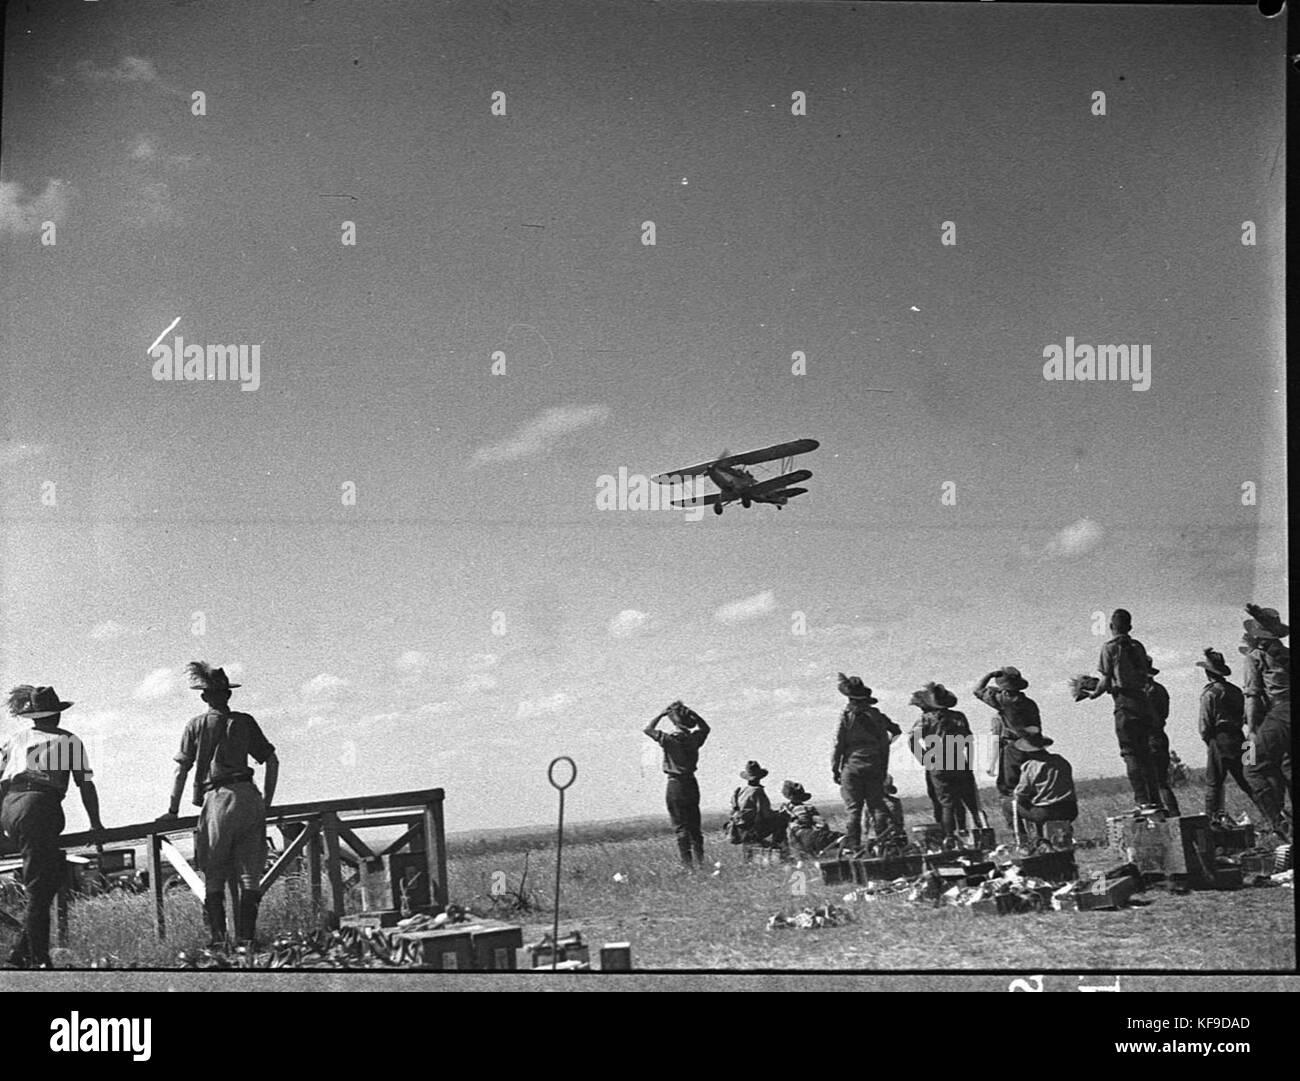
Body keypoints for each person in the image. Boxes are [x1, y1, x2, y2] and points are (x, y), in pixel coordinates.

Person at [157, 662, 278, 949]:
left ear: (204, 697)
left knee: (213, 873)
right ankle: (247, 940)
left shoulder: (196, 725)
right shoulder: (245, 721)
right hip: (249, 798)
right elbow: (271, 761)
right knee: (251, 874)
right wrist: (267, 804)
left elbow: (181, 770)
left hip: (218, 799)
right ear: (228, 695)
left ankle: (219, 940)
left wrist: (172, 811)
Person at [1, 685, 105, 968]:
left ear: (33, 716)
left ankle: (21, 951)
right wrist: (96, 825)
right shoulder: (69, 741)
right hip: (40, 807)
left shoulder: (15, 740)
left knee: (51, 874)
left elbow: (1, 782)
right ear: (57, 714)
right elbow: (85, 785)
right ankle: (39, 958)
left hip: (10, 806)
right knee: (39, 884)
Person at [1087, 609, 1160, 813]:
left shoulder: (1109, 648)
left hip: (1124, 703)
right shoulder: (1138, 646)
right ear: (1129, 627)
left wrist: (1093, 694)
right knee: (1145, 753)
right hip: (1142, 701)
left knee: (1130, 753)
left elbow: (1105, 679)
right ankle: (1155, 799)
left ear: (1111, 627)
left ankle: (1142, 800)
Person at [830, 673, 900, 855]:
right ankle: (882, 845)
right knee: (877, 806)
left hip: (852, 766)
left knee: (854, 810)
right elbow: (895, 731)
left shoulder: (846, 716)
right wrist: (882, 756)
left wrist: (835, 768)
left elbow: (838, 744)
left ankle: (855, 848)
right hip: (874, 764)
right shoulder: (876, 716)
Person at [974, 666, 1043, 838]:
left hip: (1013, 749)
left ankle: (1019, 834)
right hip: (1034, 748)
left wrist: (989, 674)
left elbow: (977, 690)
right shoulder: (1029, 703)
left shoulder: (1004, 700)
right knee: (1033, 790)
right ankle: (1039, 832)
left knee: (1008, 792)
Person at [1240, 605, 1291, 841]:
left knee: (1249, 766)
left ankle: (1280, 826)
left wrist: (1250, 730)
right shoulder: (1285, 653)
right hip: (1279, 720)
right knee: (1286, 768)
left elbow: (1251, 696)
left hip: (1279, 714)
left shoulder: (1255, 658)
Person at [907, 682, 981, 838]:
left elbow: (912, 740)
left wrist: (924, 759)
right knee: (963, 799)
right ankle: (965, 833)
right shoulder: (959, 717)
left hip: (937, 762)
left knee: (946, 803)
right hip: (959, 761)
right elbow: (969, 739)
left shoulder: (925, 719)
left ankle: (950, 838)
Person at [643, 700, 710, 867]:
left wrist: (661, 714)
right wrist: (693, 713)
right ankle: (700, 862)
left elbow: (648, 729)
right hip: (691, 783)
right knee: (695, 825)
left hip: (675, 785)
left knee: (681, 827)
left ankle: (687, 865)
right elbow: (705, 728)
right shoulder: (694, 739)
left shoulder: (669, 739)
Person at [1197, 647, 1258, 822]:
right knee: (1251, 780)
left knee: (1214, 784)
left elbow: (1204, 725)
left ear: (1208, 673)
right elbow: (1246, 715)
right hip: (1241, 738)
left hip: (1220, 739)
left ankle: (1212, 822)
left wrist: (1210, 742)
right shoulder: (1236, 691)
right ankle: (1276, 815)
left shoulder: (1209, 694)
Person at [1012, 736, 1078, 838]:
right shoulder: (1061, 760)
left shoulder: (1032, 765)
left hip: (1046, 812)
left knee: (1010, 805)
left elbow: (1021, 792)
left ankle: (1024, 839)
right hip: (1070, 809)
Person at [726, 761, 786, 860]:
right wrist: (779, 813)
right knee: (782, 820)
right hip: (752, 829)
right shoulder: (758, 791)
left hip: (739, 828)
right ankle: (778, 850)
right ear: (760, 777)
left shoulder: (741, 790)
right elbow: (766, 814)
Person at [1143, 663, 1180, 815]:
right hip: (1160, 736)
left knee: (1154, 783)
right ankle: (1173, 816)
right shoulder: (1160, 689)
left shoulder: (1145, 692)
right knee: (1161, 782)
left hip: (1149, 738)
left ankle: (1167, 818)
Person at [779, 780, 842, 857]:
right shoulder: (808, 808)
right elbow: (823, 824)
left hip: (794, 841)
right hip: (807, 836)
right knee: (842, 838)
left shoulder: (784, 809)